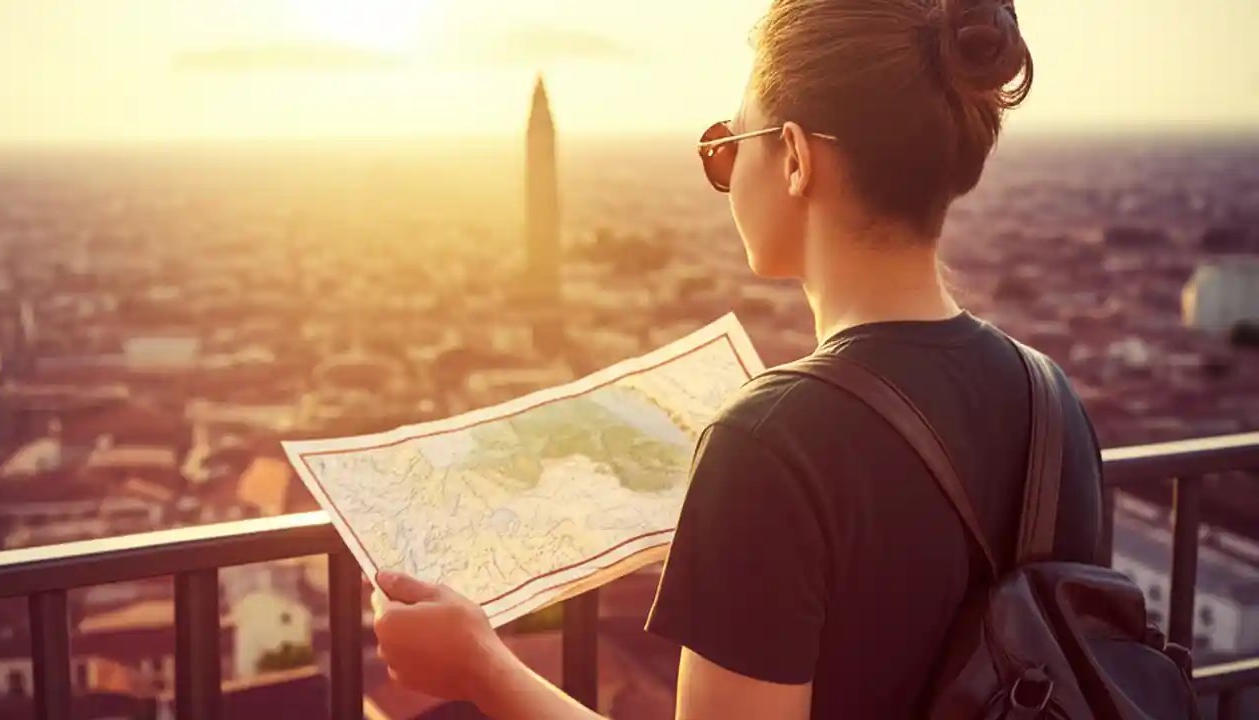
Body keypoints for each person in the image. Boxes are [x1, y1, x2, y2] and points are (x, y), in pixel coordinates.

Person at [373, 0, 1104, 717]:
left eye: (730, 143)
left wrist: (481, 667)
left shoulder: (773, 442)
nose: (724, 170)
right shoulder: (1051, 400)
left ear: (793, 158)